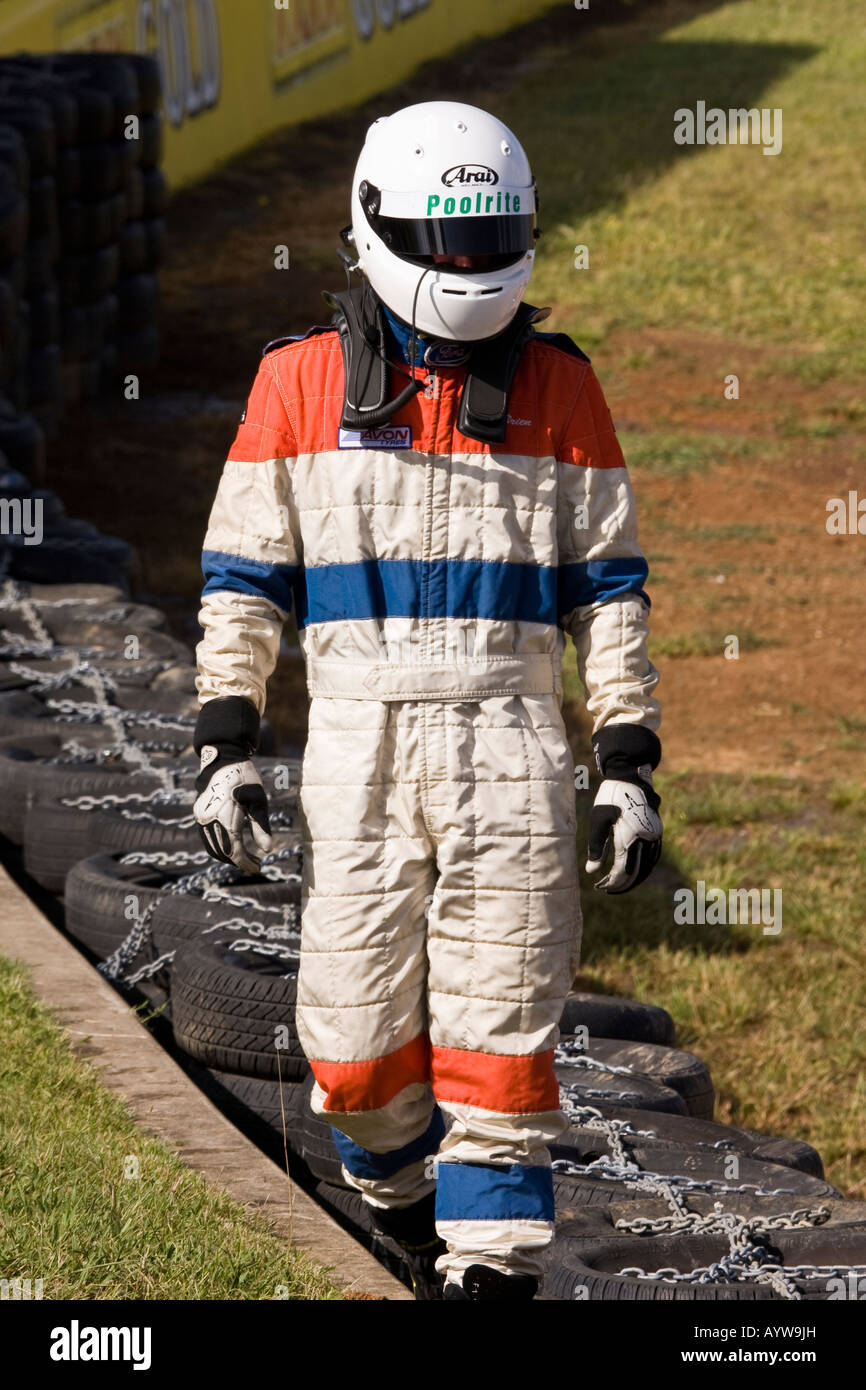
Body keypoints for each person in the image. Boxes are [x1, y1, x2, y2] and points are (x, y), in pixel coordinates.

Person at [192, 101, 662, 1301]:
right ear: (376, 225)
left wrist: (623, 761)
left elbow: (607, 589)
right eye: (443, 240)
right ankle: (399, 1208)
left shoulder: (561, 388)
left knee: (499, 1040)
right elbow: (243, 584)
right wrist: (223, 743)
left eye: (487, 237)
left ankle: (490, 1269)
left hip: (509, 741)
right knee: (349, 1057)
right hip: (354, 742)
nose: (465, 264)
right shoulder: (294, 384)